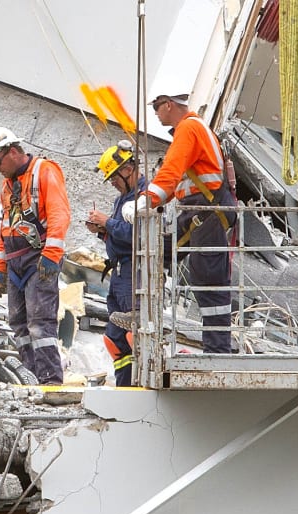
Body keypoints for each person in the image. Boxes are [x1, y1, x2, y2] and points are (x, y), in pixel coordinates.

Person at [133, 92, 236, 353]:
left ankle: (218, 350)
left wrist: (148, 198)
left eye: (157, 107)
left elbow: (172, 169)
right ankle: (144, 313)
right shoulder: (194, 128)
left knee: (208, 277)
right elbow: (176, 180)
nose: (155, 113)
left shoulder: (189, 128)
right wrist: (153, 199)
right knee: (160, 251)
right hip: (200, 209)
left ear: (169, 104)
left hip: (207, 210)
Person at [0, 126, 70, 384]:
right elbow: (5, 228)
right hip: (15, 262)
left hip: (38, 258)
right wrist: (0, 266)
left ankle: (51, 381)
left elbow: (59, 213)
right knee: (19, 323)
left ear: (12, 152)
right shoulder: (8, 187)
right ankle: (32, 377)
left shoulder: (44, 171)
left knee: (40, 323)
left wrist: (52, 254)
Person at [86, 140, 147, 386]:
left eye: (113, 176)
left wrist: (107, 223)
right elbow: (121, 234)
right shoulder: (122, 198)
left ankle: (141, 385)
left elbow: (140, 234)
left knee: (136, 334)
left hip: (135, 273)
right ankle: (124, 385)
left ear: (127, 169)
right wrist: (101, 230)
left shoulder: (144, 196)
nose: (111, 182)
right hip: (120, 275)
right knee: (114, 337)